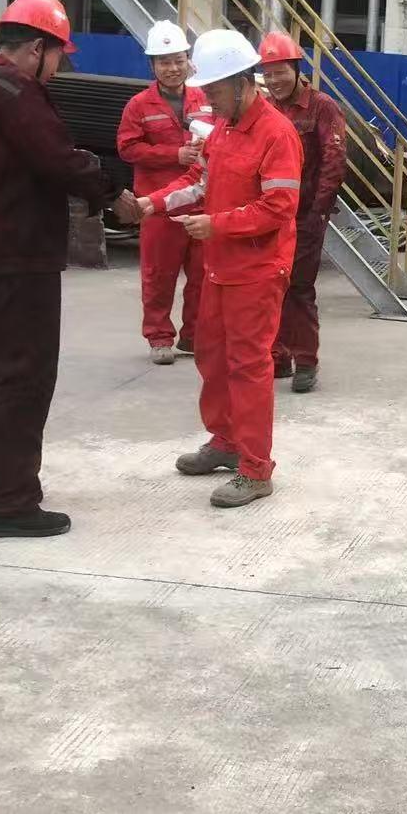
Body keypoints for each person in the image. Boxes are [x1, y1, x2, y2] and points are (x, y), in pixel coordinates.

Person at [0, 0, 140, 539]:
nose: (57, 69)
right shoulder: (17, 94)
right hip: (22, 253)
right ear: (36, 48)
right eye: (57, 57)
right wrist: (113, 191)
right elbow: (60, 160)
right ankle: (9, 503)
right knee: (23, 376)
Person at [142, 29, 302, 509]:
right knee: (211, 357)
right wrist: (153, 203)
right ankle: (226, 442)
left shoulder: (276, 134)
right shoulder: (224, 129)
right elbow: (199, 180)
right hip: (220, 266)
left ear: (241, 83)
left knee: (249, 367)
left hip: (257, 270)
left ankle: (255, 469)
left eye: (213, 89)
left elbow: (279, 207)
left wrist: (218, 225)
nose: (207, 98)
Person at [258, 31, 347, 393]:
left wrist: (318, 213)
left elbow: (333, 161)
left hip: (306, 214)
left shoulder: (322, 107)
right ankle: (278, 356)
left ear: (296, 70)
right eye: (268, 74)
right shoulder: (265, 108)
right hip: (271, 215)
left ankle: (306, 361)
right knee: (271, 285)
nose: (274, 80)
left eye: (281, 72)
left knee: (299, 288)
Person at [116, 20, 208, 366]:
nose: (173, 68)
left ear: (188, 61)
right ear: (152, 65)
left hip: (200, 200)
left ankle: (193, 335)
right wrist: (173, 155)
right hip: (157, 204)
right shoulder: (139, 105)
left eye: (178, 60)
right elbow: (127, 148)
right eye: (165, 62)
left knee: (202, 274)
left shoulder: (205, 98)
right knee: (159, 274)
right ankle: (159, 337)